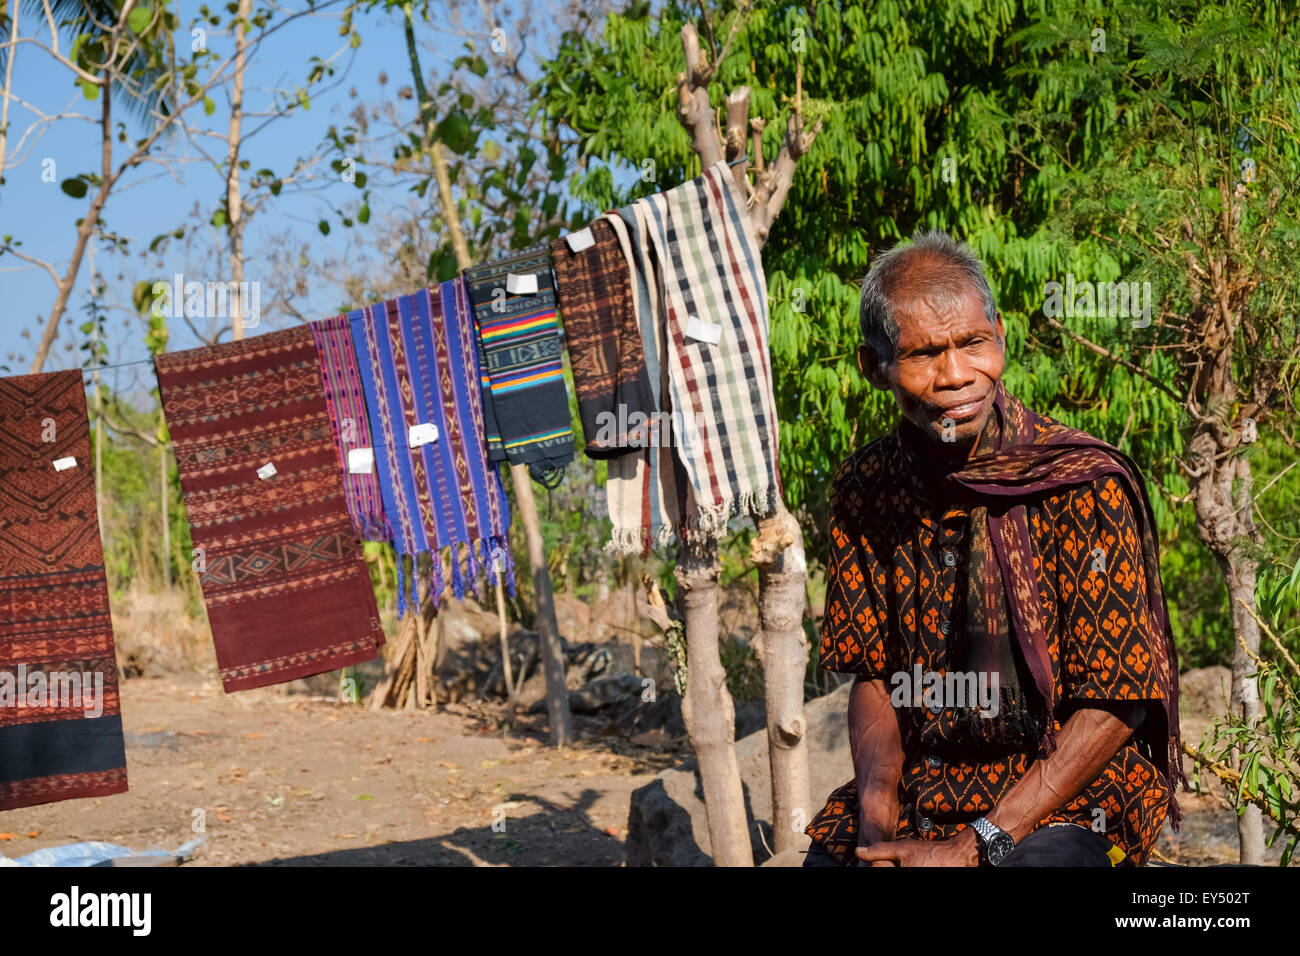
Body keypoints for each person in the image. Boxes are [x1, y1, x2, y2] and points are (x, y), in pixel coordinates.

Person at [803, 230, 1185, 867]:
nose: (956, 375)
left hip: (1061, 791)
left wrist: (978, 843)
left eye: (972, 343)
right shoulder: (866, 489)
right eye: (925, 354)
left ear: (999, 335)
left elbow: (1118, 703)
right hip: (925, 781)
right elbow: (875, 674)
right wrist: (877, 817)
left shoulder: (1081, 482)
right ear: (874, 367)